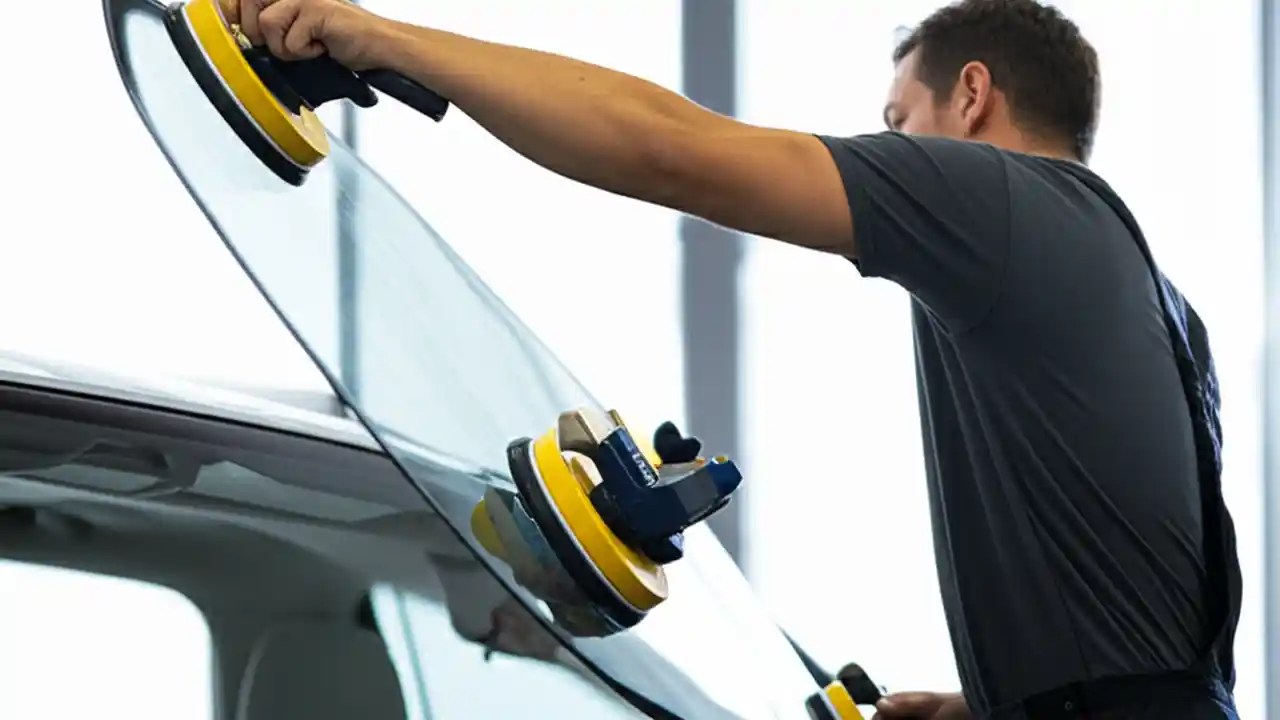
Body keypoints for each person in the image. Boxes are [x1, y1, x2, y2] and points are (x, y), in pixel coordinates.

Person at [219, 0, 1243, 717]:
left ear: (969, 96)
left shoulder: (995, 204)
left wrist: (382, 35)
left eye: (898, 124)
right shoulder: (1154, 296)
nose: (890, 147)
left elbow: (671, 147)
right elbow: (1157, 620)